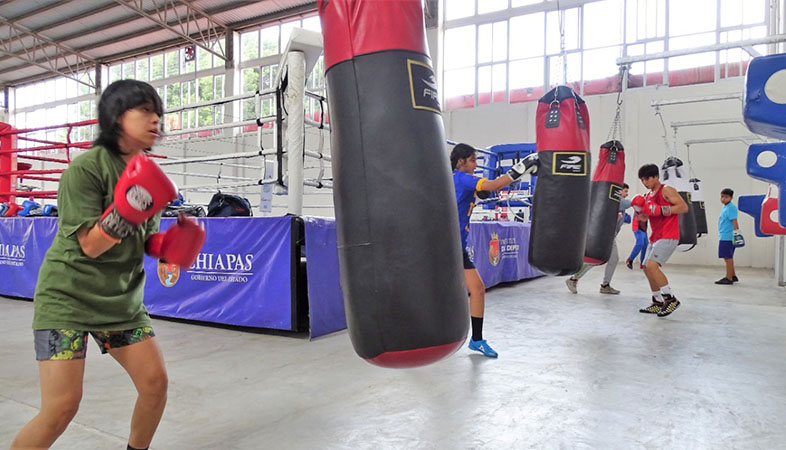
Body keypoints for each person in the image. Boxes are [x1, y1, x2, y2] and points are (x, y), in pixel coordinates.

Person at [12, 79, 205, 450]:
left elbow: (144, 238)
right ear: (117, 115)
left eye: (159, 114)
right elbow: (90, 245)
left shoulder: (149, 175)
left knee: (154, 385)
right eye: (146, 111)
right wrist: (128, 209)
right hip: (67, 301)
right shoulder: (84, 170)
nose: (156, 121)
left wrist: (169, 248)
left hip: (121, 304)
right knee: (61, 407)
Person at [451, 143, 536, 358]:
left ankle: (477, 340)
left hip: (457, 245)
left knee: (477, 289)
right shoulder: (462, 177)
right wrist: (524, 165)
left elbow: (483, 192)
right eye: (472, 160)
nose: (476, 164)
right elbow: (495, 184)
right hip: (448, 247)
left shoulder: (459, 180)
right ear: (461, 162)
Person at [633, 164, 689, 317]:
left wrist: (662, 210)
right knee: (645, 267)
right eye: (642, 180)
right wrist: (642, 214)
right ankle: (657, 301)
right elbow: (648, 215)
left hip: (668, 234)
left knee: (652, 266)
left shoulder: (666, 190)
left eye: (647, 179)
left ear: (656, 177)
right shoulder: (648, 196)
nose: (645, 183)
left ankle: (670, 299)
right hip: (656, 236)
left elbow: (683, 207)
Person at [565, 184, 632, 294]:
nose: (627, 194)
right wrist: (640, 200)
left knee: (598, 261)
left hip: (608, 236)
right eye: (625, 191)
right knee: (603, 260)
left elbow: (623, 216)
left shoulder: (619, 207)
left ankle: (576, 280)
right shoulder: (615, 202)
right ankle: (601, 284)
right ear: (618, 192)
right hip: (604, 236)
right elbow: (627, 203)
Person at [715, 188, 742, 285]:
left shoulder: (731, 208)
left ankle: (729, 278)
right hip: (724, 235)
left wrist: (737, 234)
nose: (723, 199)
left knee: (727, 257)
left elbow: (734, 221)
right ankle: (733, 275)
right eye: (722, 196)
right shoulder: (726, 207)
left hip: (728, 236)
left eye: (726, 197)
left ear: (731, 198)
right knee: (728, 257)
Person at [626, 200, 649, 270]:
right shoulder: (638, 207)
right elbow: (638, 218)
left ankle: (643, 264)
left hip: (644, 229)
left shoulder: (646, 208)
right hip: (637, 228)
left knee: (645, 245)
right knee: (640, 243)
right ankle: (630, 259)